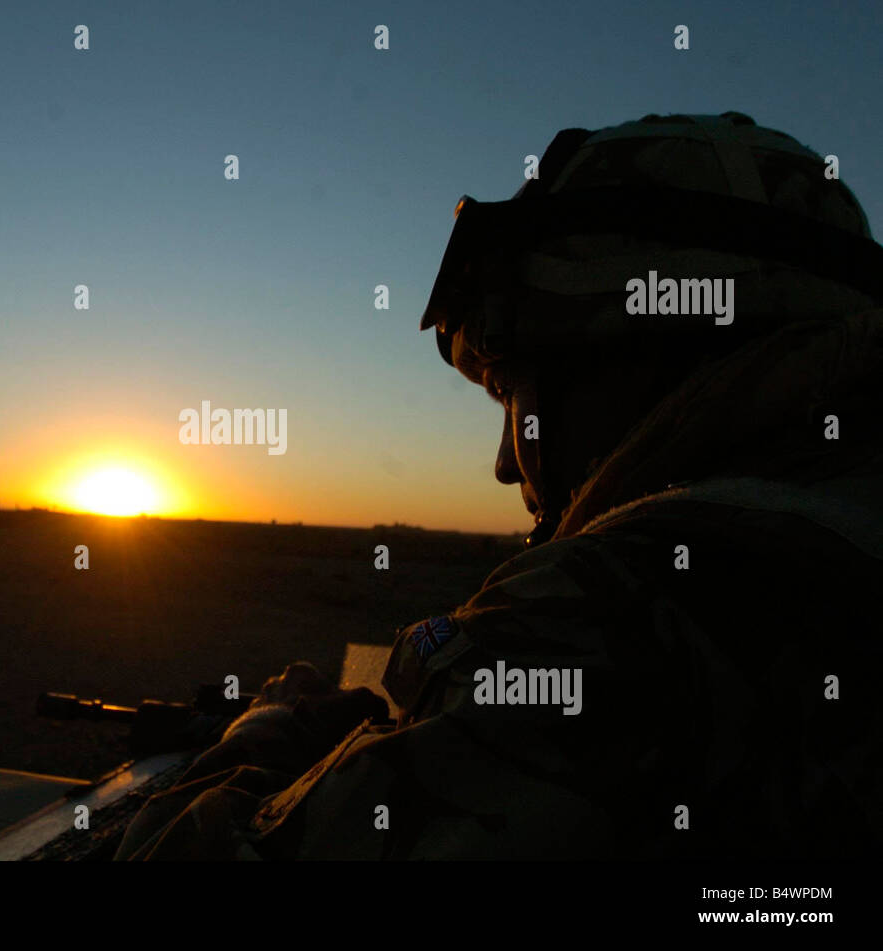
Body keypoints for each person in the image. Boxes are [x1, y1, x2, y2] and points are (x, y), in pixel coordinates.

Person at [116, 112, 883, 860]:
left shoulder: (612, 608)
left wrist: (267, 725)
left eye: (511, 394)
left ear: (632, 348)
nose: (506, 463)